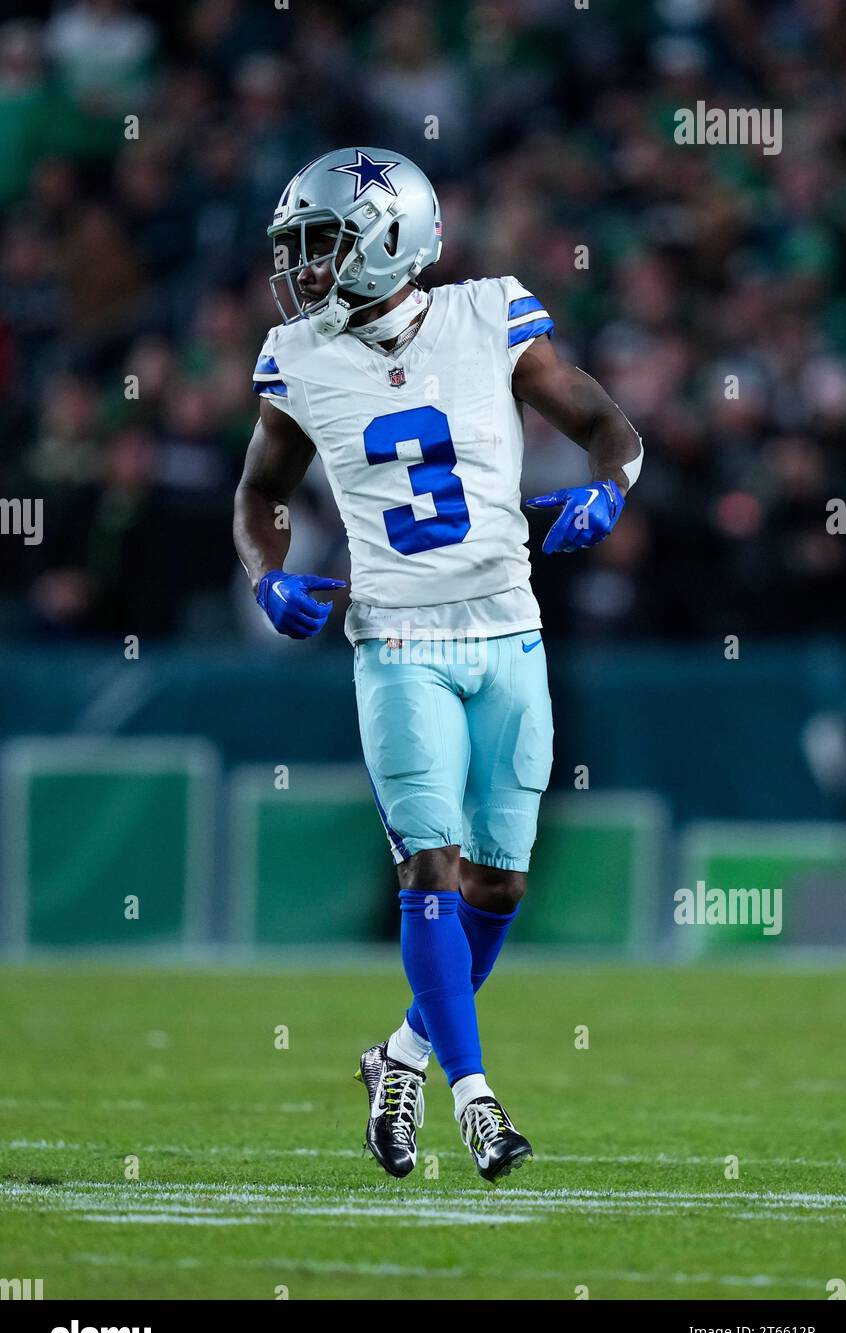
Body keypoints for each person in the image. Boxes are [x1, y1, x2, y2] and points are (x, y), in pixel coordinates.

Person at [233, 147, 642, 1183]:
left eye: (321, 245)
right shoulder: (297, 356)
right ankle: (476, 1099)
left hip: (508, 632)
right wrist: (265, 576)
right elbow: (256, 495)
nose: (304, 270)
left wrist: (610, 490)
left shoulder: (488, 315)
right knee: (429, 867)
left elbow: (607, 426)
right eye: (300, 250)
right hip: (397, 642)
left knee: (496, 887)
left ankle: (400, 1055)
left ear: (387, 237)